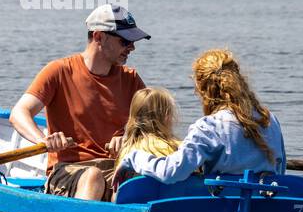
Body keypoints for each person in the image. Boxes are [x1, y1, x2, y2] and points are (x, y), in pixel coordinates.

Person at [10, 4, 151, 201]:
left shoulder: (131, 79)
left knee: (139, 179)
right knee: (93, 177)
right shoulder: (59, 71)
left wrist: (129, 138)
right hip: (69, 170)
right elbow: (19, 113)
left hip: (116, 169)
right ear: (99, 37)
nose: (132, 47)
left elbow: (153, 127)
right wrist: (44, 140)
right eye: (125, 41)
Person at [120, 48, 285, 185]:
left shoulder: (208, 127)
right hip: (266, 209)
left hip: (225, 211)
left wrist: (133, 157)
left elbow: (170, 172)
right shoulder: (270, 120)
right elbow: (280, 169)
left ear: (202, 89)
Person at [111, 88, 182, 195]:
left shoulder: (126, 151)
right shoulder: (175, 147)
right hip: (167, 202)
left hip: (132, 202)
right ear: (166, 117)